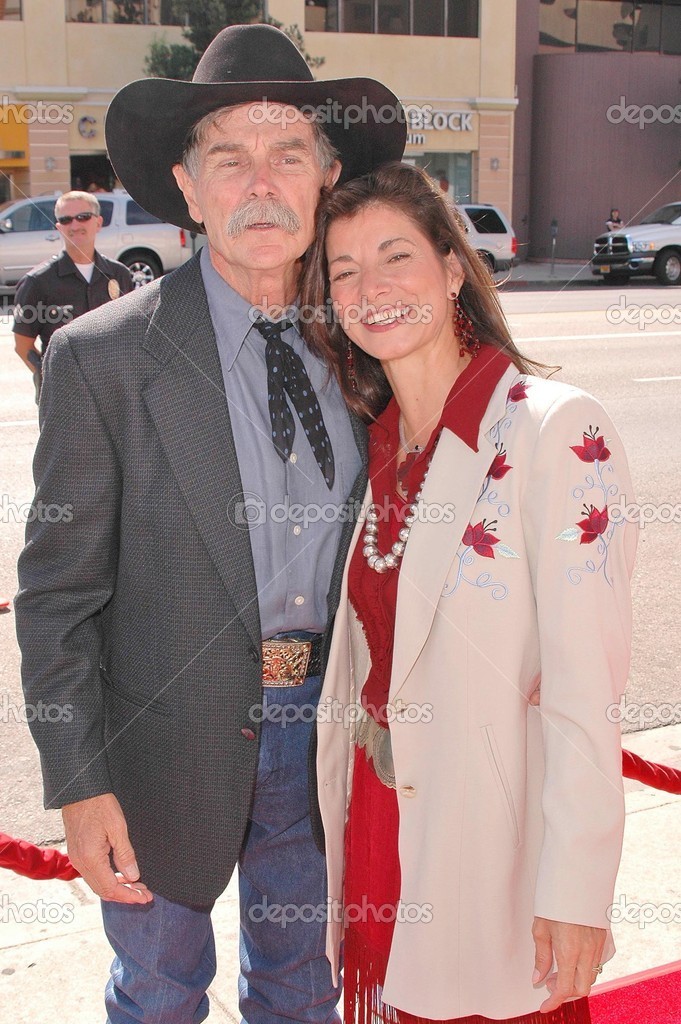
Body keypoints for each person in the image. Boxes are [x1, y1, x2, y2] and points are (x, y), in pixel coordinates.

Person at [14, 24, 405, 1024]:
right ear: (187, 189)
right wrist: (79, 783)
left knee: (305, 996)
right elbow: (57, 598)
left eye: (288, 155)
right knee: (154, 999)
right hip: (160, 750)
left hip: (328, 748)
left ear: (326, 178)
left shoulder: (375, 351)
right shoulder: (102, 358)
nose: (259, 181)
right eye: (229, 158)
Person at [301, 162, 638, 1024]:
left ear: (453, 269)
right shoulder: (377, 446)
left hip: (497, 853)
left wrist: (576, 888)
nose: (369, 288)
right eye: (343, 271)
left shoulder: (555, 429)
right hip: (384, 827)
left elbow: (583, 692)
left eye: (395, 257)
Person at [12, 190, 133, 402]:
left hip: (115, 395)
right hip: (63, 398)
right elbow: (23, 345)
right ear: (59, 227)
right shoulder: (37, 282)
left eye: (83, 217)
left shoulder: (120, 275)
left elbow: (134, 333)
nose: (75, 225)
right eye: (66, 220)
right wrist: (51, 378)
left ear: (98, 222)